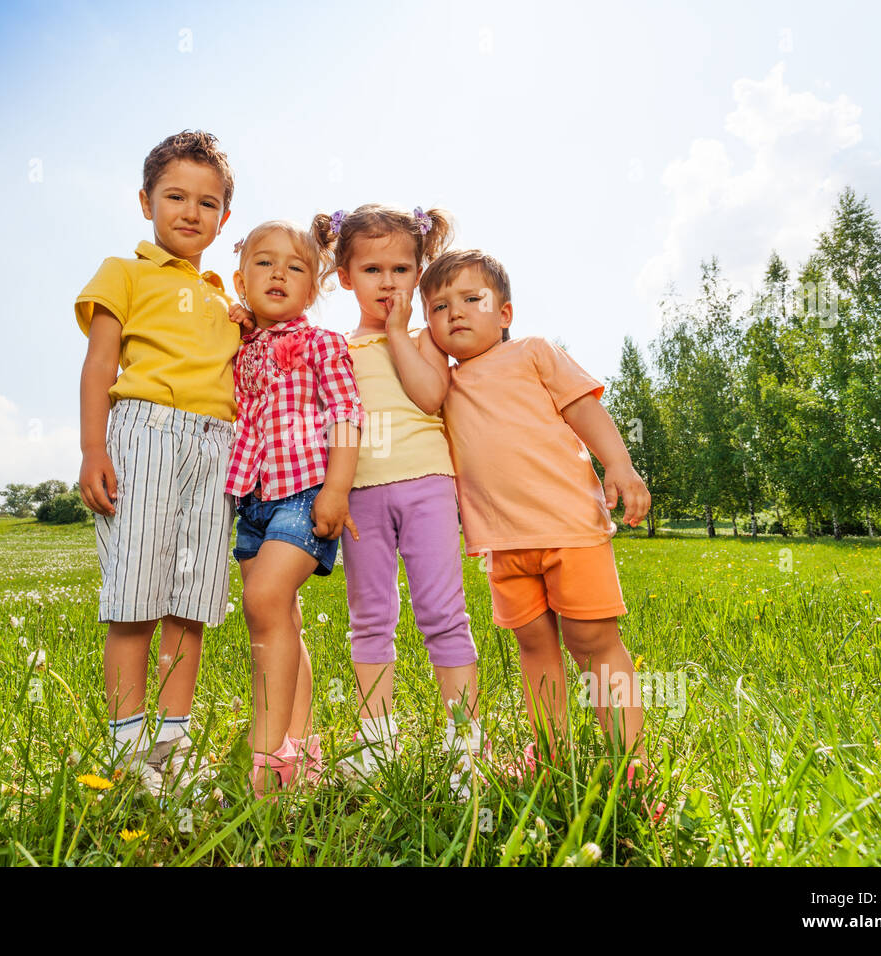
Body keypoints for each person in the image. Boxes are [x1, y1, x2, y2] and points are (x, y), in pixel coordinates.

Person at [420, 248, 663, 814]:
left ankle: (631, 759)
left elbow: (584, 410)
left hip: (568, 528)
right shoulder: (441, 386)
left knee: (594, 643)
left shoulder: (533, 352)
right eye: (438, 306)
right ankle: (551, 753)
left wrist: (619, 466)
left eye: (471, 299)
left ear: (505, 312)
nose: (455, 312)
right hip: (501, 545)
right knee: (534, 646)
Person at [75, 130, 238, 791]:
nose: (190, 212)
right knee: (135, 600)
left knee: (189, 602)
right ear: (145, 201)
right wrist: (92, 447)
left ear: (224, 218)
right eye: (175, 196)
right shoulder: (125, 271)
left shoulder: (229, 299)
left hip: (216, 444)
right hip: (146, 433)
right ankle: (125, 750)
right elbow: (99, 364)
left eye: (207, 202)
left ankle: (170, 751)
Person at [311, 204, 483, 797]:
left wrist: (393, 335)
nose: (388, 283)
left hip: (427, 485)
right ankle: (375, 740)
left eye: (402, 269)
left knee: (442, 613)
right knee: (370, 619)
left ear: (419, 273)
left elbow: (431, 395)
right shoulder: (333, 350)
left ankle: (464, 744)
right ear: (343, 277)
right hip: (359, 495)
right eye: (372, 270)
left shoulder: (423, 339)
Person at [224, 219, 363, 796]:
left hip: (305, 490)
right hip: (253, 499)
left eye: (296, 266)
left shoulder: (321, 344)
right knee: (280, 620)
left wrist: (337, 489)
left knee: (263, 599)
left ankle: (264, 754)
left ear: (313, 290)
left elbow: (348, 414)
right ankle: (302, 749)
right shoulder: (242, 346)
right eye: (264, 262)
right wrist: (236, 324)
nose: (278, 272)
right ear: (241, 279)